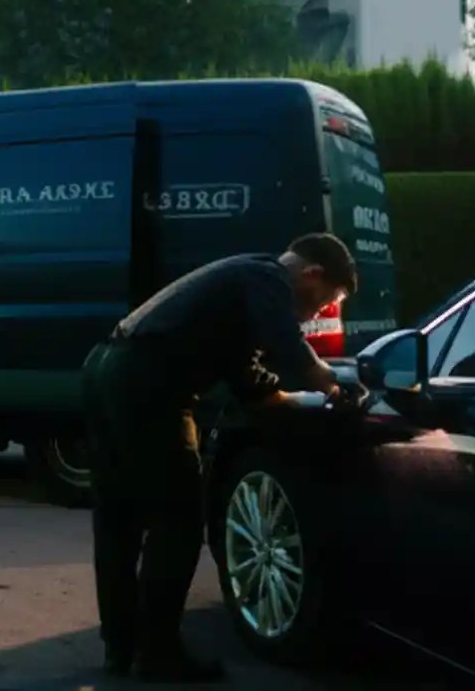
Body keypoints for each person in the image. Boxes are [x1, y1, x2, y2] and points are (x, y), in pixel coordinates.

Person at [82, 233, 357, 683]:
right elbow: (289, 348)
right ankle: (158, 653)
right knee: (178, 521)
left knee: (117, 521)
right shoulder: (269, 277)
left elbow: (250, 380)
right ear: (312, 273)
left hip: (104, 369)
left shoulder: (239, 279)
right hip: (148, 383)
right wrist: (334, 386)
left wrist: (290, 398)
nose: (315, 314)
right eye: (323, 301)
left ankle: (120, 647)